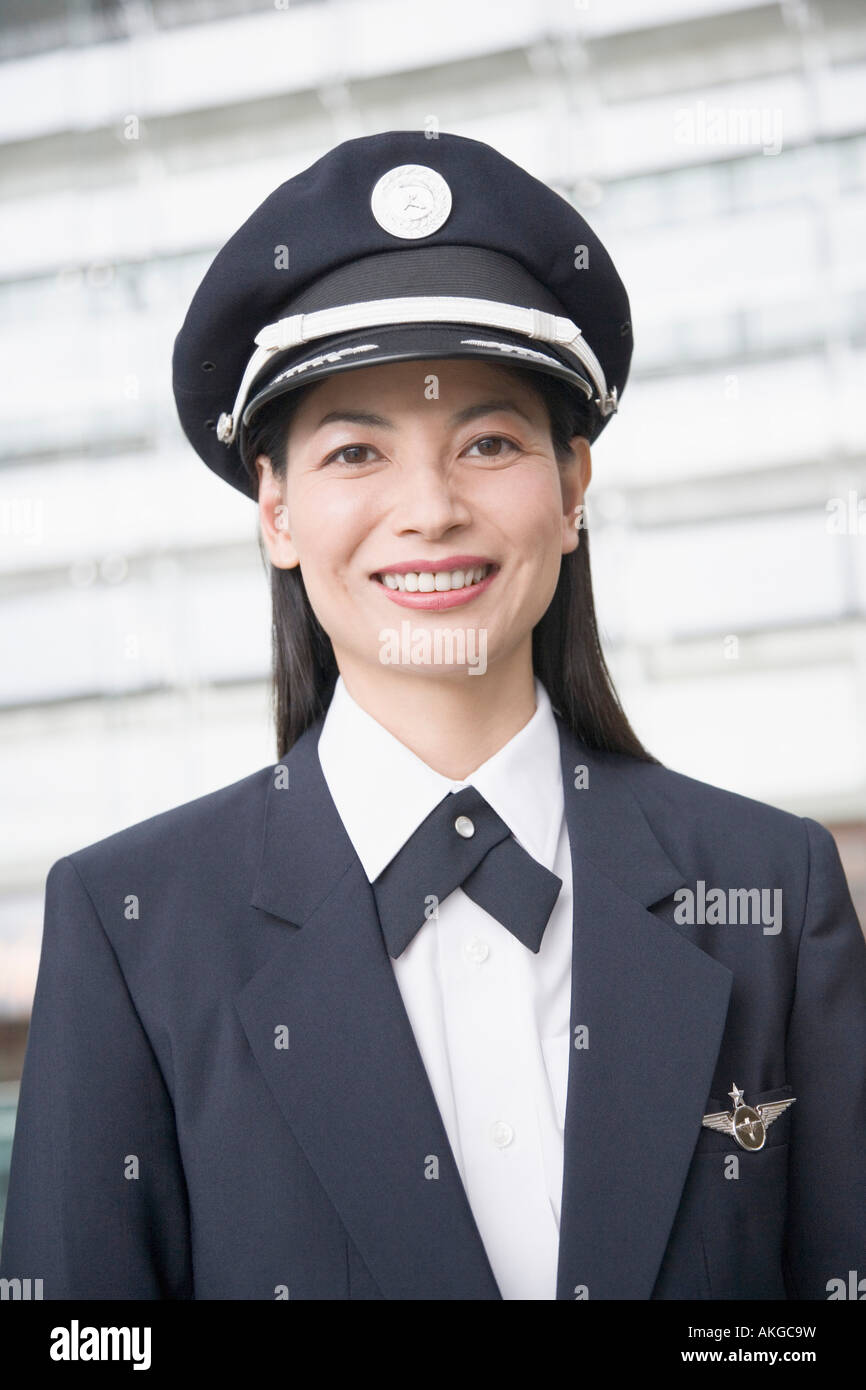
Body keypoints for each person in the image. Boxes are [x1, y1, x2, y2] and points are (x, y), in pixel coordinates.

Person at [2, 129, 864, 1301]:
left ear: (569, 494)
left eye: (489, 442)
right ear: (277, 511)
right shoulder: (131, 928)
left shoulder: (773, 890)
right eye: (356, 450)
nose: (429, 509)